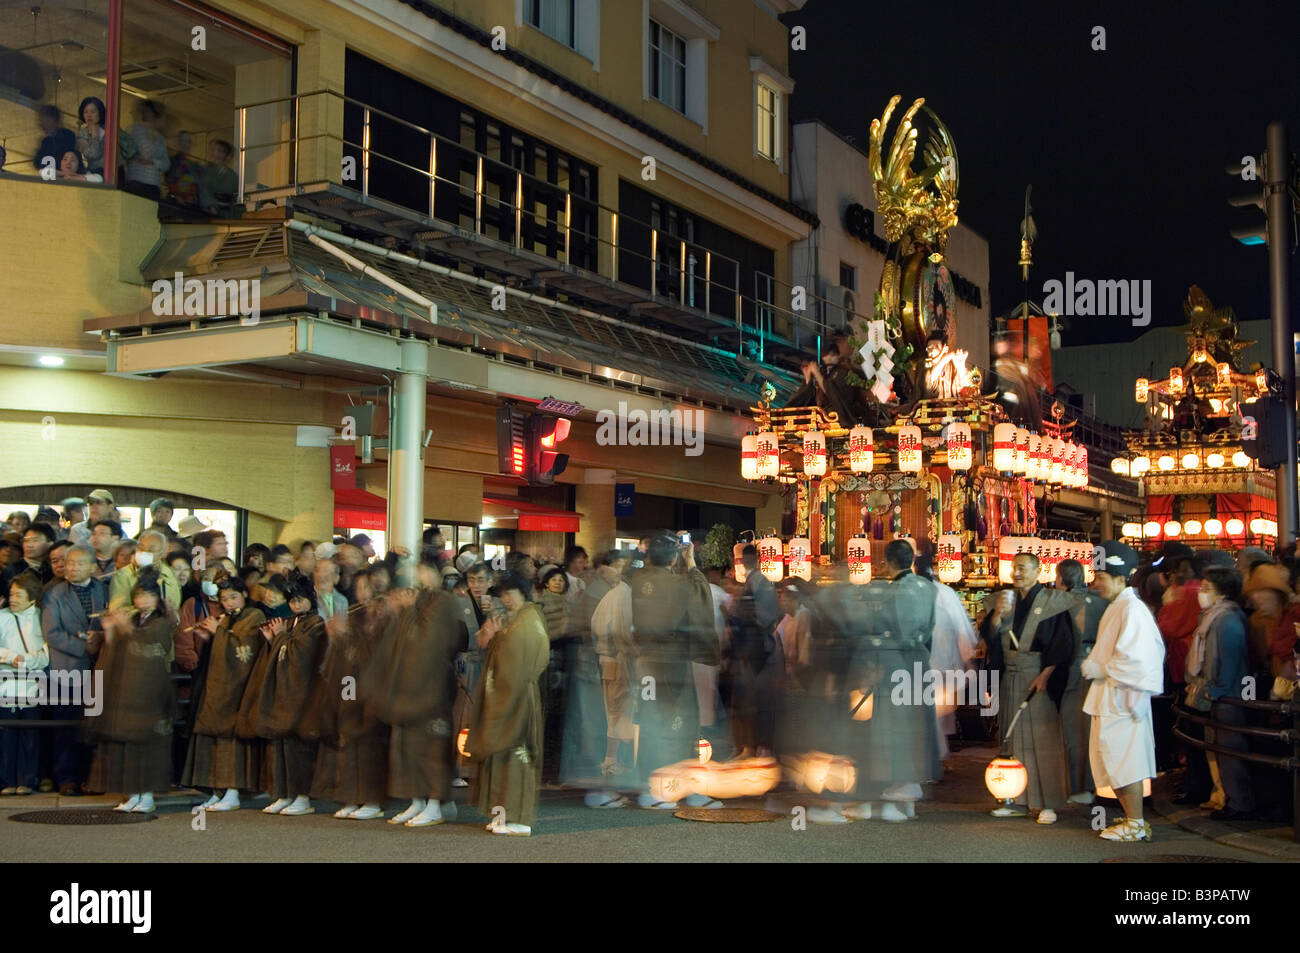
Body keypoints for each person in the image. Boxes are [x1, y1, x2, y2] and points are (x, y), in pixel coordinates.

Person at [840, 540, 943, 821]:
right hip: (919, 660)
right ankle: (909, 793)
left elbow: (890, 632)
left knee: (895, 725)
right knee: (917, 722)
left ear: (887, 562)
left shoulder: (894, 591)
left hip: (896, 662)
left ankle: (902, 783)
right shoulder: (927, 588)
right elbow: (928, 629)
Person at [363, 557, 462, 827]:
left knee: (431, 748)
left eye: (424, 571)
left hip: (432, 688)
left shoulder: (443, 602)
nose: (421, 577)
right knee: (408, 748)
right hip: (408, 689)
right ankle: (417, 800)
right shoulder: (416, 602)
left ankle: (434, 803)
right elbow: (397, 644)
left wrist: (411, 608)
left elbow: (433, 642)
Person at [981, 551, 1075, 823]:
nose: (1017, 573)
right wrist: (998, 615)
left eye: (1022, 567)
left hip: (1037, 675)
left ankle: (1047, 802)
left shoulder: (1050, 602)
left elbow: (1062, 643)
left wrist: (1045, 675)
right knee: (1009, 736)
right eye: (1014, 568)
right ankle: (1015, 799)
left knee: (1041, 740)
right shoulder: (1007, 600)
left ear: (1037, 571)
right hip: (1011, 674)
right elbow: (990, 635)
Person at [1081, 541, 1165, 842]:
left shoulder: (1131, 609)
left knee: (1124, 760)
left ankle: (1136, 822)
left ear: (1120, 578)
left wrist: (1102, 669)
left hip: (1123, 698)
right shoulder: (1120, 606)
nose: (1096, 583)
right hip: (1111, 697)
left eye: (1101, 577)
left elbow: (1139, 659)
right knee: (1112, 759)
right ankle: (1133, 817)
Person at [628, 535, 717, 809]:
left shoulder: (638, 580)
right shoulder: (677, 584)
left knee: (655, 724)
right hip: (670, 662)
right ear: (673, 557)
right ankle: (663, 789)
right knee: (676, 725)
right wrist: (691, 564)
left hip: (646, 663)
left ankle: (655, 786)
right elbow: (700, 598)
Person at [84, 569, 176, 813]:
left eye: (147, 596)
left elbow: (150, 648)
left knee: (145, 747)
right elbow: (117, 651)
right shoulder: (134, 619)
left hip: (149, 695)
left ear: (157, 598)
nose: (142, 601)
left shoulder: (161, 622)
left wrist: (125, 630)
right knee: (125, 747)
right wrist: (112, 630)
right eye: (138, 596)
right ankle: (131, 795)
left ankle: (146, 796)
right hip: (127, 694)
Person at [465, 571, 550, 835]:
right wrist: (494, 636)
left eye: (510, 594)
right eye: (503, 595)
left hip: (518, 698)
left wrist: (499, 636)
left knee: (516, 757)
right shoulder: (514, 619)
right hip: (504, 695)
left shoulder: (529, 620)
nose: (507, 599)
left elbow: (527, 660)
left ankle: (518, 819)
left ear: (522, 594)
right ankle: (502, 815)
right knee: (501, 757)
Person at [241, 579, 326, 817]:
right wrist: (273, 639)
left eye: (300, 599)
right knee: (281, 744)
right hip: (285, 691)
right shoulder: (291, 622)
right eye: (292, 600)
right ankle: (284, 793)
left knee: (299, 746)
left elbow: (302, 654)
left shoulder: (316, 623)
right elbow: (284, 651)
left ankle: (302, 796)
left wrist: (278, 637)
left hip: (303, 693)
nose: (296, 604)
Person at [311, 569, 391, 820]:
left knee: (368, 743)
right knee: (347, 737)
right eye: (359, 588)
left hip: (372, 686)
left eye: (367, 587)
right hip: (349, 681)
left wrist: (348, 634)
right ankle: (349, 796)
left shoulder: (384, 615)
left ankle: (371, 799)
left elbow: (381, 653)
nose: (362, 593)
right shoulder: (354, 614)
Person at [181, 577, 267, 811]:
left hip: (238, 687)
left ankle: (232, 791)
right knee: (212, 736)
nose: (228, 603)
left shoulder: (254, 616)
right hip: (217, 685)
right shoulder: (227, 618)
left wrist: (219, 632)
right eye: (224, 599)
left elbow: (245, 649)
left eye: (233, 597)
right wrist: (211, 634)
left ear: (244, 595)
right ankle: (216, 790)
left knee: (232, 740)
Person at [1184, 567, 1255, 821]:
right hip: (1219, 692)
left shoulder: (1226, 619)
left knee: (1229, 750)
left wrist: (1216, 689)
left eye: (1206, 589)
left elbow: (1230, 659)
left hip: (1227, 695)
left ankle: (1238, 803)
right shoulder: (1214, 617)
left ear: (1223, 592)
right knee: (1221, 749)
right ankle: (1227, 798)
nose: (1200, 593)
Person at [40, 545, 108, 795]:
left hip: (97, 667)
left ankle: (91, 777)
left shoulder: (103, 590)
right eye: (69, 563)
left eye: (79, 563)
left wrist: (100, 638)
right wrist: (84, 646)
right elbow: (51, 633)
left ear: (93, 567)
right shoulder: (53, 594)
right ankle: (65, 778)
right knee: (65, 726)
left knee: (92, 724)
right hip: (65, 668)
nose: (72, 567)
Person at [1056, 557, 1107, 805]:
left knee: (1075, 732)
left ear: (1060, 579)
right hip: (1099, 666)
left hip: (1074, 666)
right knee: (1092, 730)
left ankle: (1079, 787)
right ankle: (1096, 785)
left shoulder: (1061, 603)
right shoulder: (1102, 602)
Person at [726, 544, 781, 760]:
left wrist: (743, 615)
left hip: (758, 648)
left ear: (754, 560)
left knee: (756, 701)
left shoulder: (761, 583)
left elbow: (766, 616)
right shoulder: (753, 582)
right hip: (749, 647)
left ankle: (757, 747)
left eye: (748, 559)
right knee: (745, 701)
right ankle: (747, 746)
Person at [0, 573, 49, 795]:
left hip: (32, 682)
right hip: (6, 682)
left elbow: (45, 653)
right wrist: (11, 657)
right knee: (7, 733)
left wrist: (27, 660)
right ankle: (6, 780)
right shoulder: (2, 616)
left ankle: (27, 780)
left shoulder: (42, 617)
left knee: (30, 733)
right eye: (11, 594)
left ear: (32, 597)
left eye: (19, 594)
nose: (13, 598)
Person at [110, 530, 180, 613]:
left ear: (163, 553)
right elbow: (118, 610)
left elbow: (175, 604)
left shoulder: (169, 573)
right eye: (141, 548)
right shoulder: (123, 575)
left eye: (151, 550)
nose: (144, 552)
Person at [123, 99, 169, 200]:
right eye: (144, 110)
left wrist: (152, 162)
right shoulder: (135, 129)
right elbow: (145, 152)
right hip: (136, 180)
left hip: (153, 184)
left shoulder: (160, 136)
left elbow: (166, 164)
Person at [199, 139, 239, 216]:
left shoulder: (233, 177)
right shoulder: (202, 171)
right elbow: (200, 190)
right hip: (203, 213)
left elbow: (236, 199)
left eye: (220, 151)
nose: (215, 153)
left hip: (226, 216)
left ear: (227, 156)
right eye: (213, 150)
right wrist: (210, 205)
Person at [35, 104, 76, 175]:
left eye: (42, 120)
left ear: (51, 119)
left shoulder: (67, 135)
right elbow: (37, 163)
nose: (41, 123)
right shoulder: (45, 140)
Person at [165, 131, 201, 206]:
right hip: (175, 203)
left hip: (190, 204)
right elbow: (169, 181)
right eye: (183, 141)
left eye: (188, 141)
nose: (186, 144)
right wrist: (177, 196)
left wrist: (191, 197)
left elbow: (197, 184)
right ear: (178, 143)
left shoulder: (195, 165)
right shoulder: (172, 161)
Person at [75, 96, 108, 177]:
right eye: (85, 112)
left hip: (115, 174)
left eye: (93, 112)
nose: (89, 115)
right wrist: (95, 135)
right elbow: (93, 154)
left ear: (100, 113)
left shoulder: (109, 131)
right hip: (94, 174)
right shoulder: (81, 135)